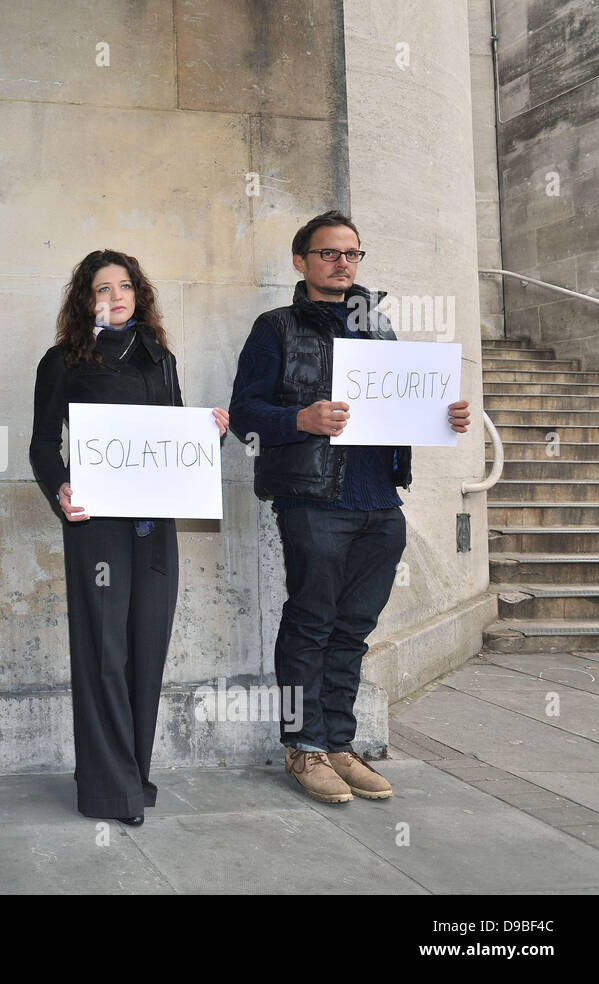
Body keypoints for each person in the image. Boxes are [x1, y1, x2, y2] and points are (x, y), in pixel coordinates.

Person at [228, 210, 470, 803]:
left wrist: (443, 416)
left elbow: (400, 407)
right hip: (313, 499)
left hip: (381, 502)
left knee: (353, 630)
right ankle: (303, 746)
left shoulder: (379, 328)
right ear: (301, 261)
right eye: (330, 253)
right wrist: (299, 419)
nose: (343, 263)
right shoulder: (276, 328)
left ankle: (338, 742)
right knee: (310, 624)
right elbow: (243, 415)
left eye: (352, 253)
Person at [29, 249, 229, 825]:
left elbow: (174, 437)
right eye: (102, 288)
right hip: (95, 527)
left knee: (146, 647)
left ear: (138, 295)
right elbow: (42, 445)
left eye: (124, 287)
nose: (115, 297)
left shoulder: (159, 358)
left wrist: (209, 434)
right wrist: (61, 489)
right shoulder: (62, 361)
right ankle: (108, 789)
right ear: (85, 299)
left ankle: (132, 776)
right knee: (104, 653)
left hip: (154, 527)